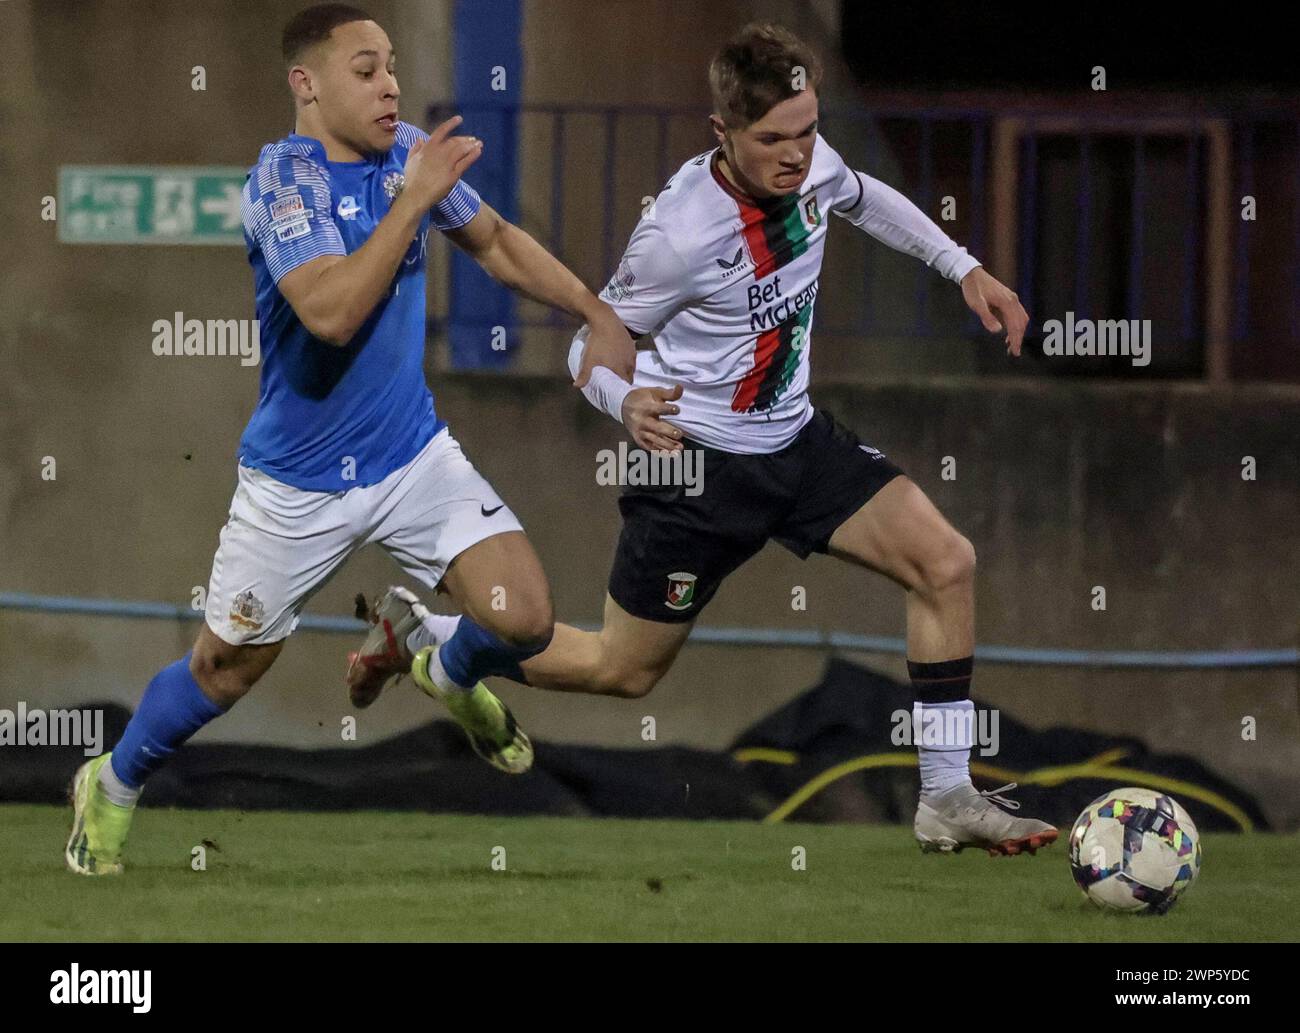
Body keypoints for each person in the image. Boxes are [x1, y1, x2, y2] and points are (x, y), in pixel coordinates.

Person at [354, 22, 1056, 856]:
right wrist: (626, 402)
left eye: (807, 131)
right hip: (698, 469)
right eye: (773, 141)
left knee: (945, 562)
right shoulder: (679, 236)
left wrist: (963, 267)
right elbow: (590, 341)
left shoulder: (812, 161)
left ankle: (944, 796)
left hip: (796, 445)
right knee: (625, 669)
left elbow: (863, 196)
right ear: (722, 133)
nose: (797, 156)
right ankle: (433, 642)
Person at [65, 2, 635, 876]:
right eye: (365, 69)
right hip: (297, 482)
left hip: (411, 456)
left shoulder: (408, 150)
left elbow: (494, 241)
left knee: (521, 615)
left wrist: (596, 310)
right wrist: (412, 204)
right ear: (307, 83)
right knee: (223, 670)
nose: (391, 85)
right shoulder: (281, 182)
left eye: (393, 66)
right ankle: (113, 781)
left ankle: (440, 663)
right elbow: (330, 313)